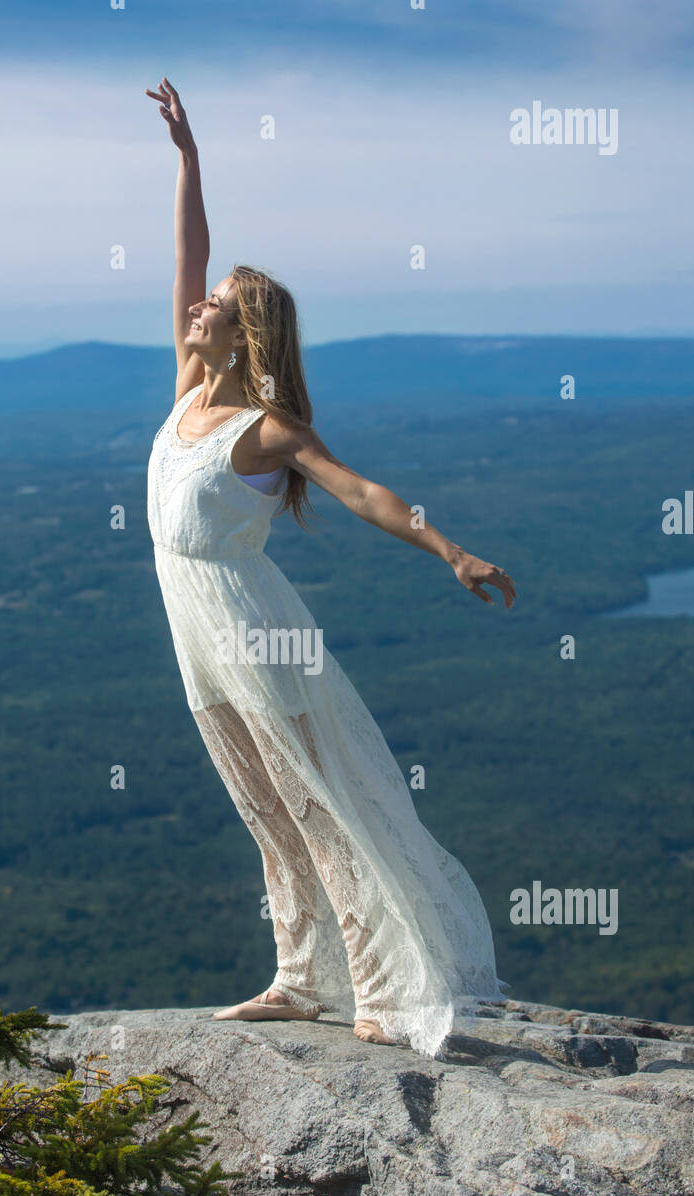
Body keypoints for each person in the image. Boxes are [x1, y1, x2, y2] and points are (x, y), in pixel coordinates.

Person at [144, 78, 515, 1055]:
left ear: (244, 331)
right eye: (201, 299)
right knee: (263, 808)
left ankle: (383, 992)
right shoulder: (188, 385)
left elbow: (359, 493)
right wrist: (188, 162)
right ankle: (297, 979)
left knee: (314, 803)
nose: (196, 306)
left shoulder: (266, 429)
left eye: (215, 306)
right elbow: (185, 254)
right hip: (196, 634)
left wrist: (448, 548)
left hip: (252, 629)